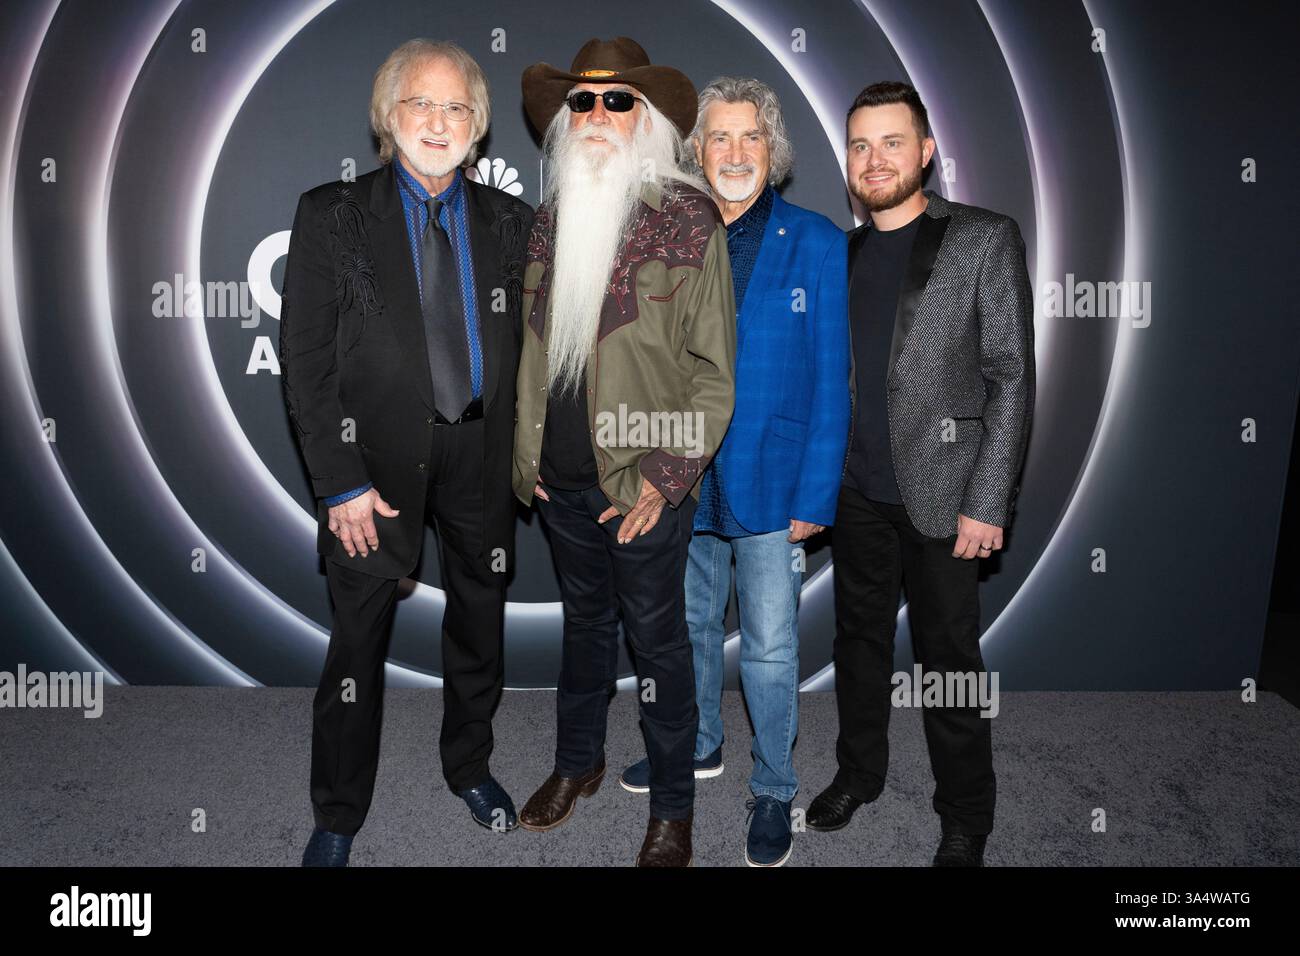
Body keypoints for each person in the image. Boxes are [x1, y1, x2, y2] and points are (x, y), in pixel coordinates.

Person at [280, 39, 533, 866]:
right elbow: (307, 367)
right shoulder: (331, 214)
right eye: (420, 104)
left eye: (456, 107)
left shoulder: (512, 224)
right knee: (357, 643)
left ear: (479, 126)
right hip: (371, 469)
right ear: (389, 117)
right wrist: (339, 483)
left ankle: (470, 765)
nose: (438, 120)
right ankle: (339, 812)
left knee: (479, 623)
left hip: (480, 457)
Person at [512, 37, 736, 866]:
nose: (597, 116)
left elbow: (714, 378)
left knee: (659, 643)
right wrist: (525, 456)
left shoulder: (688, 220)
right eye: (582, 102)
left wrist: (664, 478)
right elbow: (533, 358)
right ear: (565, 122)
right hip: (561, 485)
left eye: (617, 101)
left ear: (647, 121)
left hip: (641, 486)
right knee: (583, 633)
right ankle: (579, 764)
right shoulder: (548, 222)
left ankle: (673, 807)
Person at [617, 76, 849, 868]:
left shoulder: (816, 241)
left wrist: (818, 492)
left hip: (773, 479)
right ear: (697, 149)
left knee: (772, 648)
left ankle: (776, 789)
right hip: (683, 477)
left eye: (752, 137)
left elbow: (832, 378)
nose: (736, 152)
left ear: (773, 149)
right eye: (720, 137)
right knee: (684, 632)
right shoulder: (667, 235)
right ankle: (699, 746)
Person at [805, 80, 1034, 867]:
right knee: (857, 645)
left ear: (926, 151)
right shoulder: (839, 253)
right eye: (860, 145)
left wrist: (987, 497)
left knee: (951, 664)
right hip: (856, 493)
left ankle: (967, 813)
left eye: (891, 142)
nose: (875, 159)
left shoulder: (982, 237)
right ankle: (858, 774)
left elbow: (1009, 374)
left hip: (947, 496)